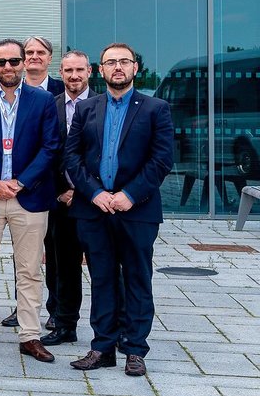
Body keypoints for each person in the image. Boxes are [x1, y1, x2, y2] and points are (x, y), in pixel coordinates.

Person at [66, 43, 173, 377]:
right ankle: (102, 347)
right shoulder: (86, 109)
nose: (117, 67)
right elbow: (71, 156)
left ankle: (135, 349)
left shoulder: (156, 108)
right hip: (94, 210)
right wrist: (94, 192)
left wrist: (130, 194)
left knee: (138, 279)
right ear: (101, 70)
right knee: (102, 279)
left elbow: (161, 160)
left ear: (135, 68)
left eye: (124, 62)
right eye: (110, 62)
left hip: (137, 211)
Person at [0, 39, 60, 363]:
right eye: (2, 62)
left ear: (23, 63)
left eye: (14, 61)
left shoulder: (43, 100)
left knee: (29, 271)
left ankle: (30, 336)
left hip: (29, 196)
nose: (8, 67)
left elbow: (50, 146)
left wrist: (21, 181)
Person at [42, 50, 93, 346]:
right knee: (63, 267)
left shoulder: (103, 103)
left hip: (94, 202)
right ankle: (65, 325)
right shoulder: (50, 105)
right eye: (68, 70)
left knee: (104, 268)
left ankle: (113, 329)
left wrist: (83, 190)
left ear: (89, 72)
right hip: (60, 201)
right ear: (60, 73)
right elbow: (46, 150)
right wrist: (62, 189)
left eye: (79, 70)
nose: (74, 76)